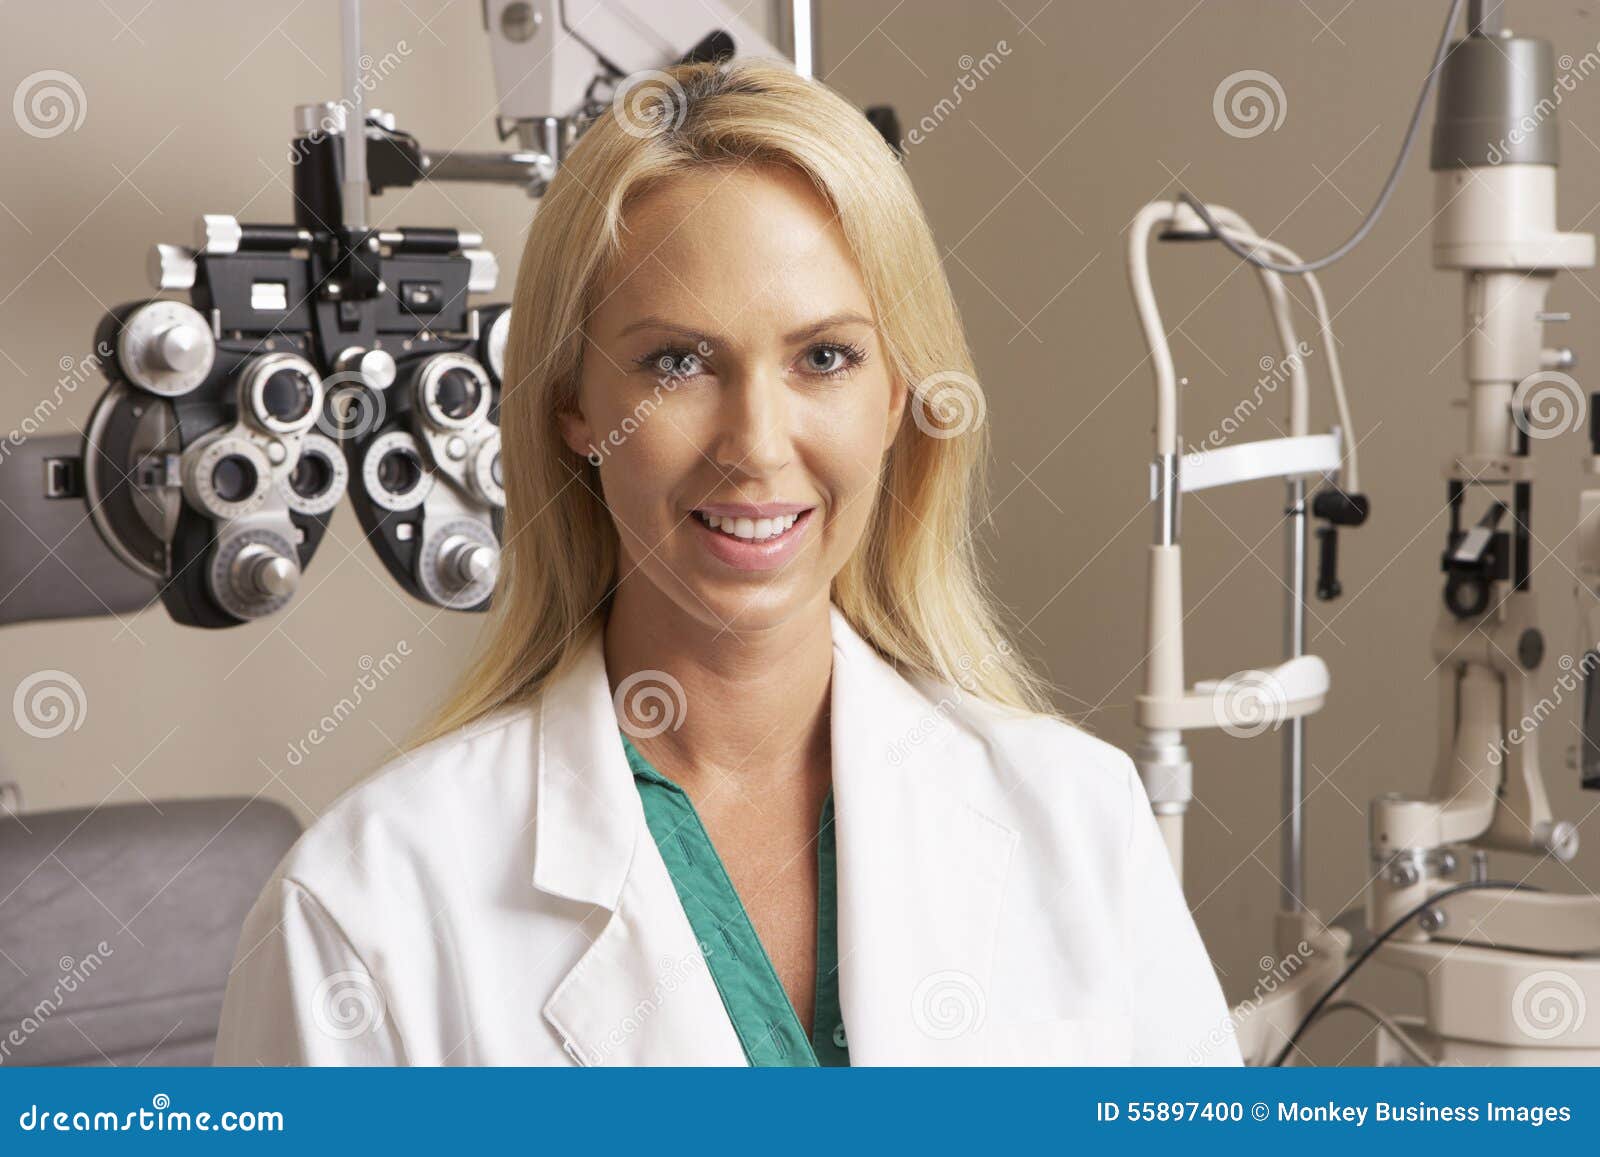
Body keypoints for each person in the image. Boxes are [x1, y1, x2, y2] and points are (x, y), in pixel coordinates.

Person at [214, 59, 1241, 1067]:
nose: (754, 443)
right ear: (573, 404)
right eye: (676, 362)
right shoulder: (365, 902)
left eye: (824, 357)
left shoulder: (1074, 815)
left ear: (897, 397)